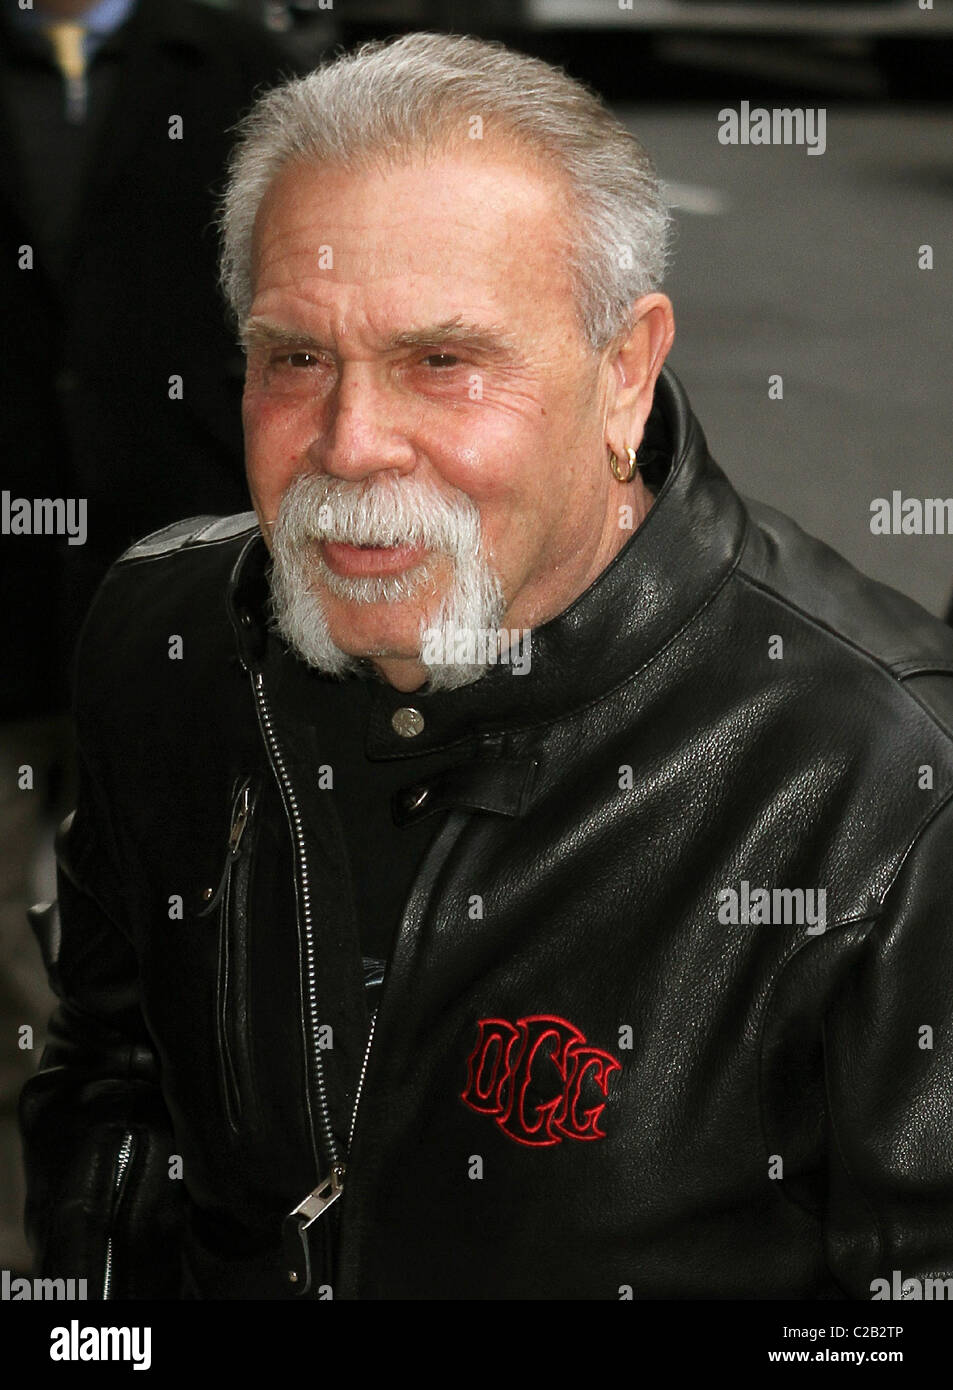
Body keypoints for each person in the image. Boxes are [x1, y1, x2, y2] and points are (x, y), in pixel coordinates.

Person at [18, 31, 953, 1301]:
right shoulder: (162, 636)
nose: (349, 447)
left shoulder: (885, 780)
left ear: (623, 372)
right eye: (295, 358)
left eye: (441, 363)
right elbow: (113, 1071)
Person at [0, 0, 292, 1274]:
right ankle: (36, 1229)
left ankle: (194, 1208)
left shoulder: (224, 61)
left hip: (183, 571)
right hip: (4, 584)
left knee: (199, 914)